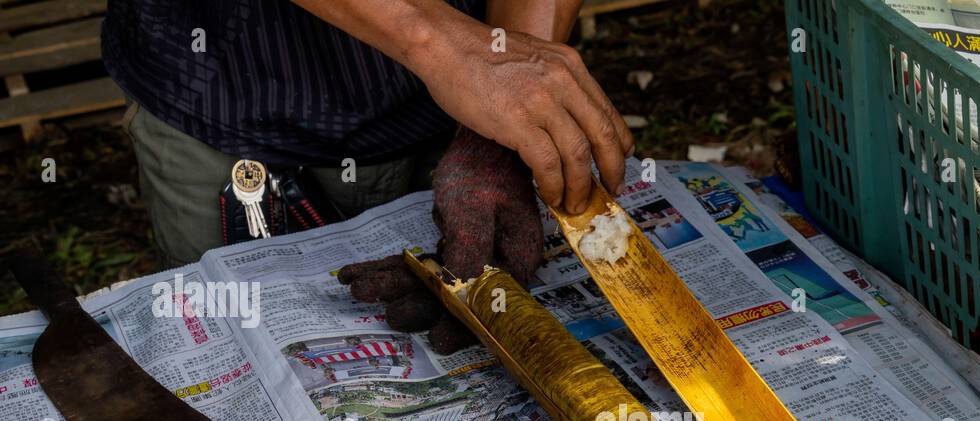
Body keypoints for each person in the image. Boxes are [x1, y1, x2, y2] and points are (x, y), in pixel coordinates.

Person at [104, 1, 634, 345]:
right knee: (227, 344)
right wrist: (438, 43)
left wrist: (502, 96)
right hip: (227, 101)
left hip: (448, 108)